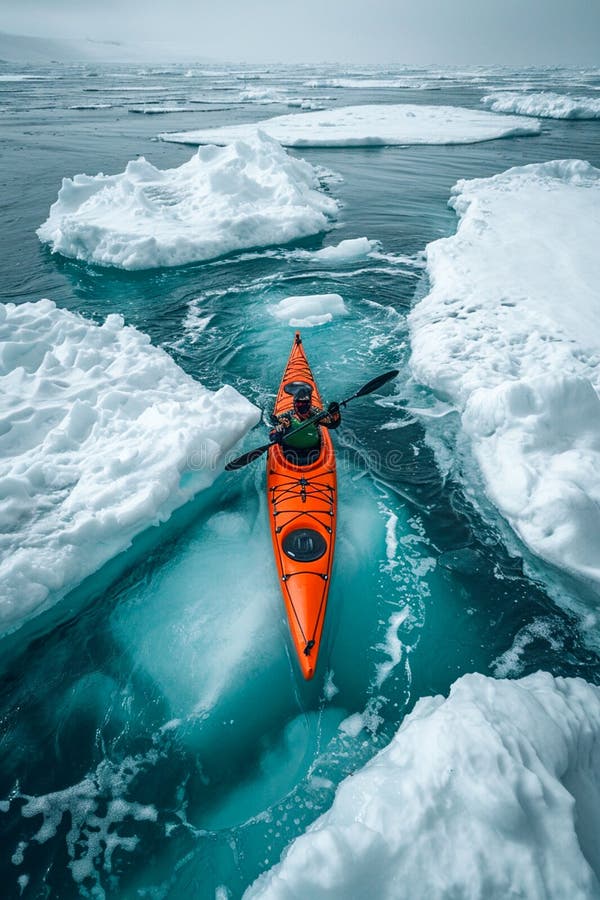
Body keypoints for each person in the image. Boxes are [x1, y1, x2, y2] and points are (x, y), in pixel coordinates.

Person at [269, 383, 341, 465]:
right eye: (299, 404)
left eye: (306, 404)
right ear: (295, 404)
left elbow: (333, 424)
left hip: (313, 452)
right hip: (290, 451)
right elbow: (273, 430)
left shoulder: (316, 415)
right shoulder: (287, 417)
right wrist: (277, 434)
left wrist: (335, 412)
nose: (303, 408)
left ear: (310, 404)